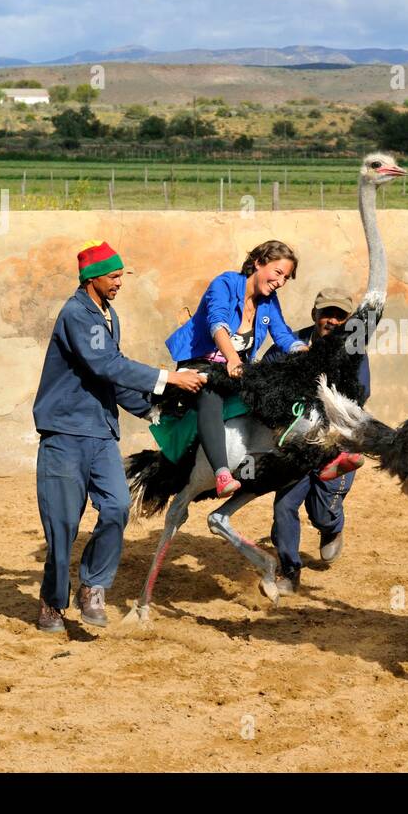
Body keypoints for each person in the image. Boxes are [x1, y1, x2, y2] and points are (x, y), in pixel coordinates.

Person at [32, 240, 205, 633]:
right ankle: (52, 602)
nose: (119, 283)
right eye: (113, 276)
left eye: (121, 276)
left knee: (116, 507)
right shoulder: (77, 314)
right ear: (92, 278)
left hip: (101, 434)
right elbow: (107, 363)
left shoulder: (108, 317)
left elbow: (110, 379)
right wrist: (167, 377)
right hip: (65, 434)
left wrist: (158, 411)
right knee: (62, 527)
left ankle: (93, 586)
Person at [164, 240, 308, 498]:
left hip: (236, 368)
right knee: (211, 391)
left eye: (286, 278)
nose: (280, 282)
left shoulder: (269, 302)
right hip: (201, 362)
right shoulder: (225, 283)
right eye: (277, 273)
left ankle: (304, 454)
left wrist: (304, 351)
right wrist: (232, 358)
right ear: (258, 263)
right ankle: (221, 474)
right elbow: (217, 324)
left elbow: (283, 336)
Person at [267, 288, 371, 595]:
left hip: (336, 449)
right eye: (327, 314)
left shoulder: (354, 354)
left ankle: (331, 528)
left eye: (340, 316)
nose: (333, 321)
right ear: (315, 314)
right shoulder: (289, 344)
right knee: (284, 505)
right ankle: (289, 571)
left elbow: (358, 397)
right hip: (298, 447)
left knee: (321, 512)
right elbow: (265, 377)